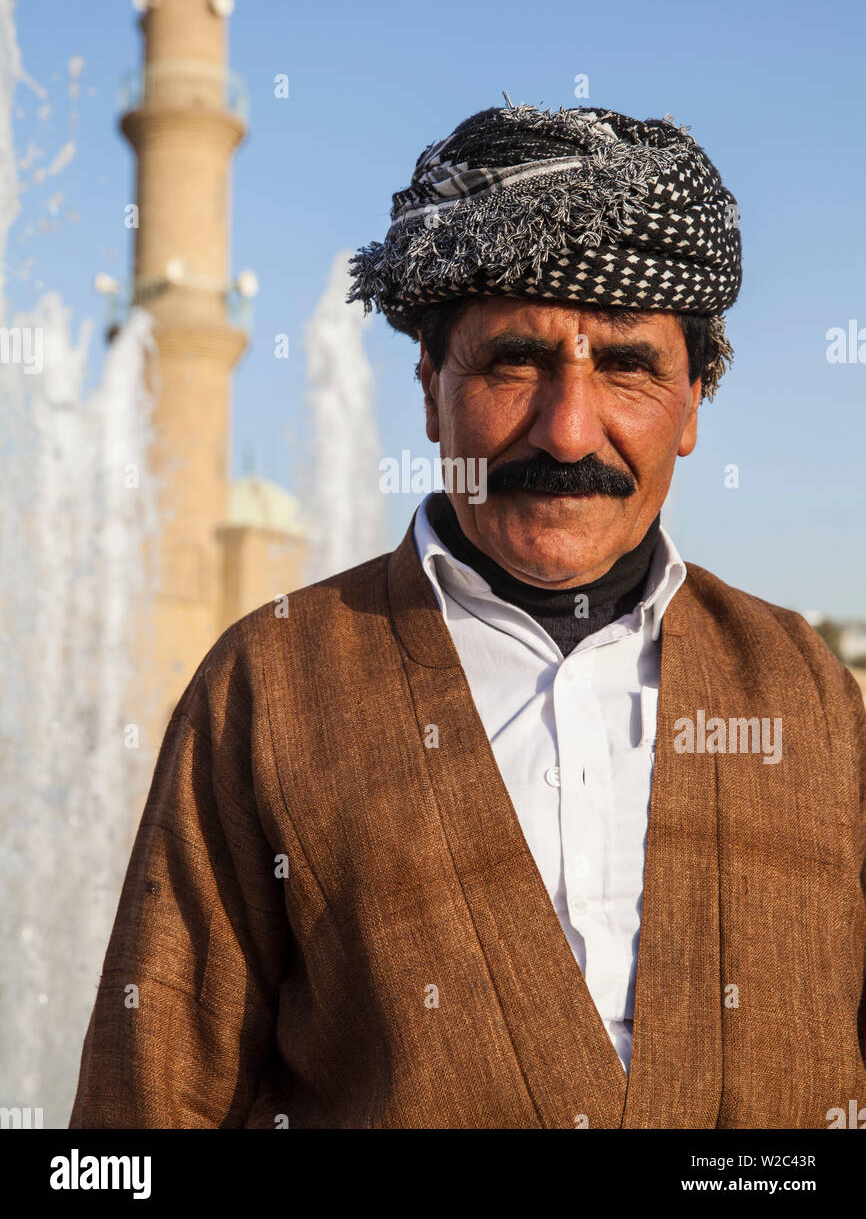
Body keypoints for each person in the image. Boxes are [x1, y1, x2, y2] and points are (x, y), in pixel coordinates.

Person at [70, 101, 866, 1129]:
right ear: (429, 393)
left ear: (692, 403)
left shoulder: (799, 687)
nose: (566, 430)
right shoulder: (269, 688)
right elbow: (148, 1099)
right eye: (512, 361)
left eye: (625, 363)